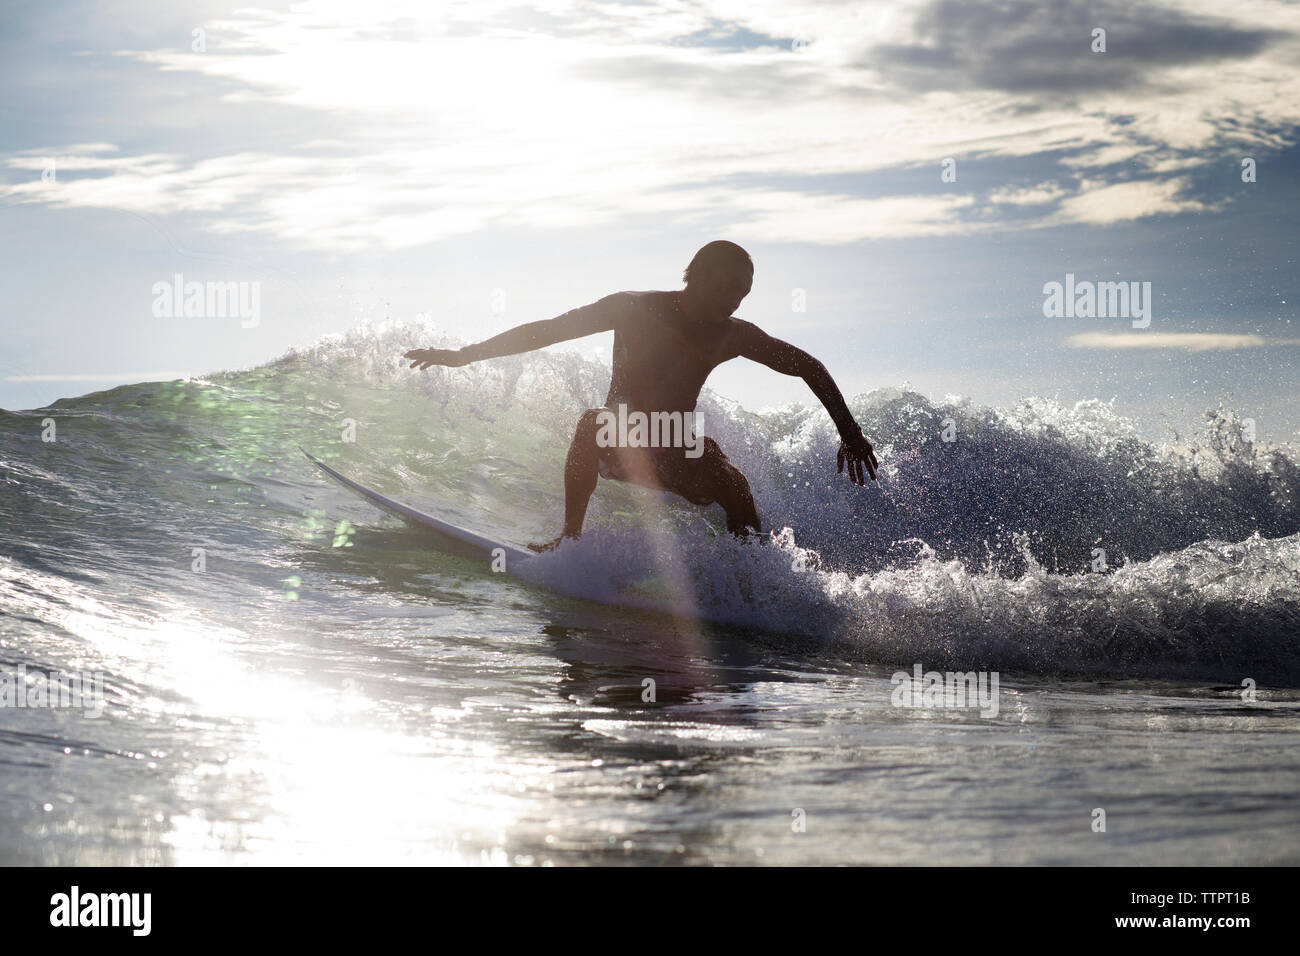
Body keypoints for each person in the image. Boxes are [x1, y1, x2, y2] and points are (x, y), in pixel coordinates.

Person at [404, 240, 878, 551]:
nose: (737, 300)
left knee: (732, 482)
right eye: (731, 287)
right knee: (592, 421)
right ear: (697, 274)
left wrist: (850, 432)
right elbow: (548, 330)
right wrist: (464, 355)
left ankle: (753, 580)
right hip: (620, 443)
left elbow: (808, 366)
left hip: (674, 449)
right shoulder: (633, 309)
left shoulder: (731, 334)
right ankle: (570, 539)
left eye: (745, 292)